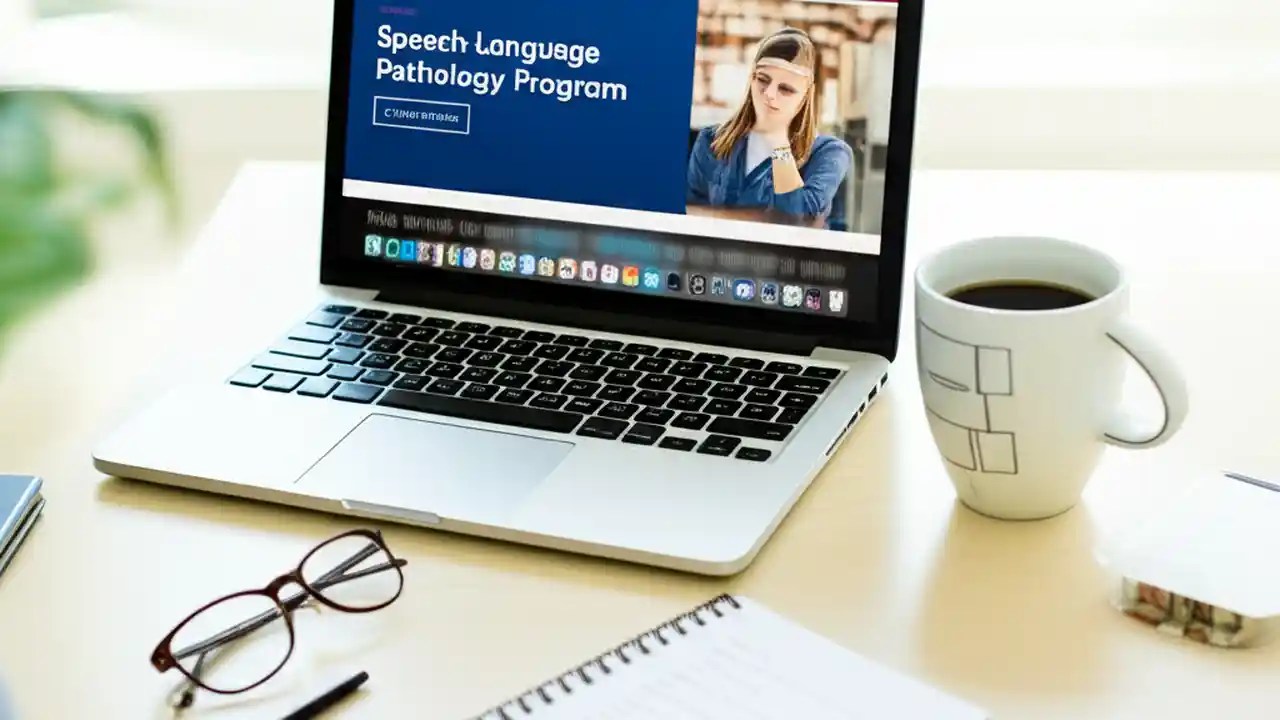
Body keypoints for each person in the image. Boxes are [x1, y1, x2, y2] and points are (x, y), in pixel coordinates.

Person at [687, 27, 852, 226]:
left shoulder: (829, 153)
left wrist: (778, 139)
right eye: (763, 80)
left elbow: (797, 220)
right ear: (752, 79)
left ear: (804, 98)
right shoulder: (712, 141)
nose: (769, 94)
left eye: (786, 89)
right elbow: (688, 215)